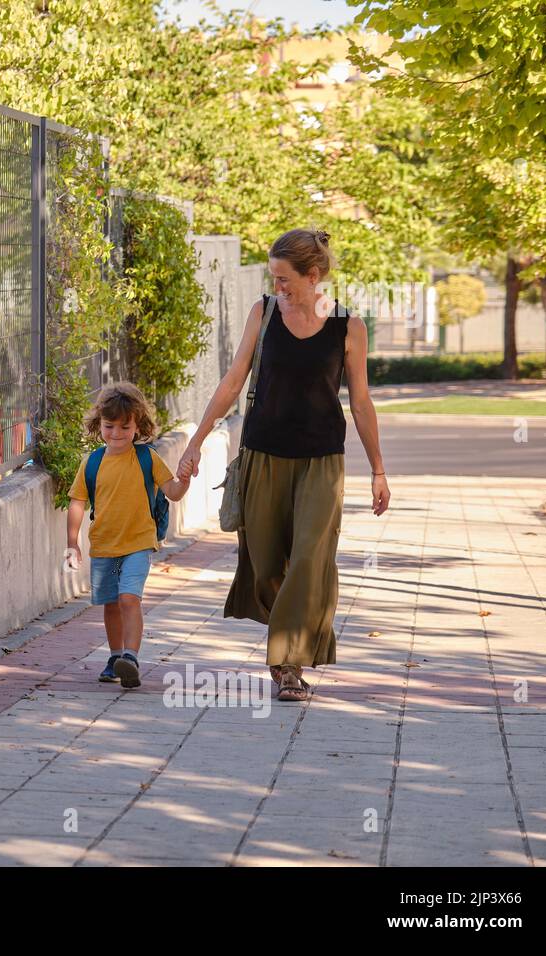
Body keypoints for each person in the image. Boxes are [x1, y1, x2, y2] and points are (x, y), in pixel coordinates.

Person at [177, 228, 390, 702]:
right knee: (267, 564)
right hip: (263, 453)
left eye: (284, 278)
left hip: (321, 461)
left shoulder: (347, 326)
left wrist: (378, 469)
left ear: (313, 276)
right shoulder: (264, 312)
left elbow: (360, 401)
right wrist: (195, 442)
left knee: (310, 560)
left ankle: (288, 663)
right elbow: (234, 381)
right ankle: (290, 641)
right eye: (273, 277)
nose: (277, 286)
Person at [66, 383, 190, 688]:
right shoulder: (92, 463)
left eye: (125, 426)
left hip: (138, 543)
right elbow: (78, 502)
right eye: (110, 426)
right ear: (100, 425)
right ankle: (115, 656)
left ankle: (131, 658)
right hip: (104, 545)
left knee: (129, 598)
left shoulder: (147, 458)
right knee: (111, 604)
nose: (117, 433)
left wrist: (184, 479)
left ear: (138, 426)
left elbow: (172, 491)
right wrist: (72, 543)